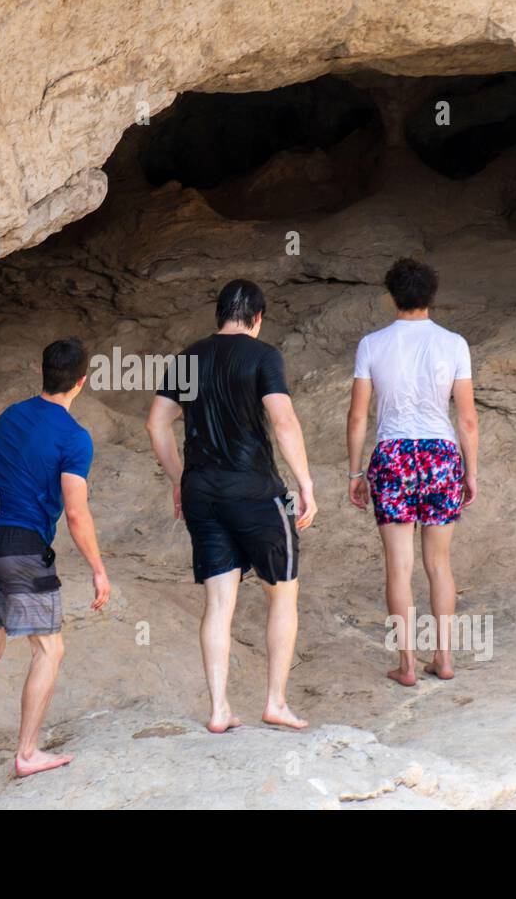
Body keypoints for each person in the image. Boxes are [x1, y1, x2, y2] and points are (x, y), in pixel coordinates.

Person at [146, 279, 317, 733]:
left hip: (203, 489)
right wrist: (306, 483)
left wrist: (179, 478)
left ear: (219, 315)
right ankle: (275, 702)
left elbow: (157, 424)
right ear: (257, 318)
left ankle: (219, 709)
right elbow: (283, 421)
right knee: (282, 593)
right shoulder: (264, 357)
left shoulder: (186, 357)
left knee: (219, 603)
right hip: (255, 490)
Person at [0, 338, 111, 777]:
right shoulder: (75, 438)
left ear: (43, 372)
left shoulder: (11, 415)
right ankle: (28, 753)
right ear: (81, 382)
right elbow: (75, 510)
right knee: (49, 649)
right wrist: (98, 568)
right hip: (23, 546)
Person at [346, 258, 478, 686]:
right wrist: (470, 472)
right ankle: (444, 658)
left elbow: (357, 416)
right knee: (439, 563)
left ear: (392, 295)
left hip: (392, 455)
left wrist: (355, 471)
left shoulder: (372, 344)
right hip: (441, 455)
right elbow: (468, 419)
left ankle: (405, 665)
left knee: (398, 566)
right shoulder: (454, 343)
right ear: (431, 296)